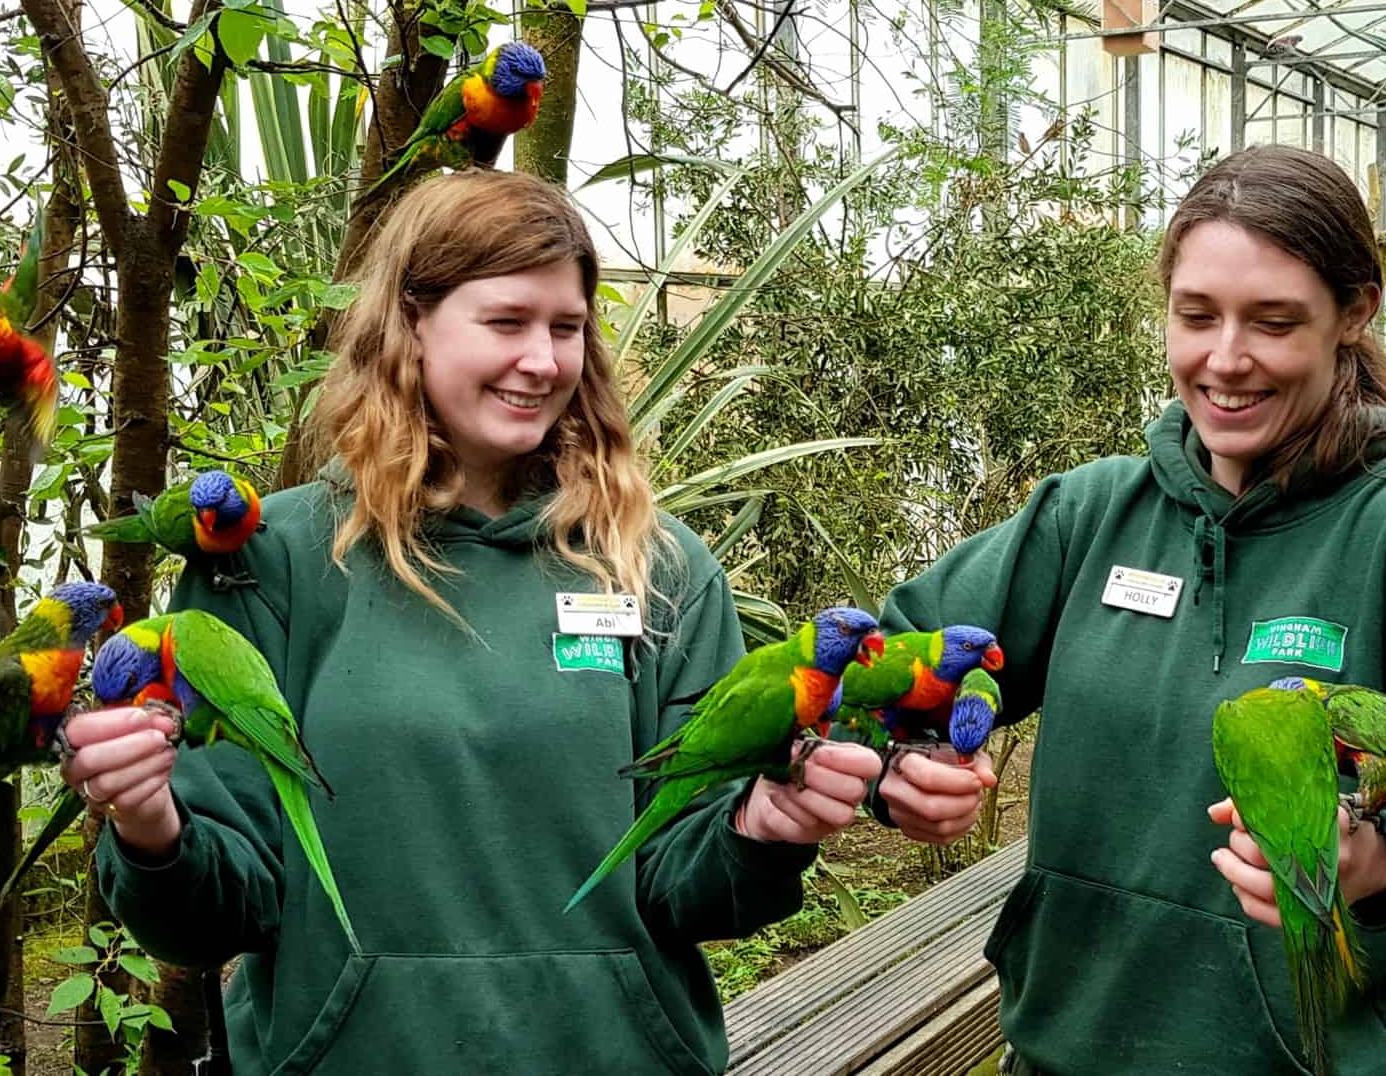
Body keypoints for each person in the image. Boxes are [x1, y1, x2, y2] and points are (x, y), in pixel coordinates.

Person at [55, 169, 884, 1075]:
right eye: (506, 322)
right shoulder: (272, 560)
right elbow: (220, 909)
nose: (543, 360)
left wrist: (764, 825)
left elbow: (689, 889)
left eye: (566, 328)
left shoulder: (661, 567)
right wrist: (148, 822)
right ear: (412, 322)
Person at [872, 145, 1386, 1075]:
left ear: (1353, 314)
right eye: (1196, 316)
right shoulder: (1087, 519)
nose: (1225, 361)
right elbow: (876, 664)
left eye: (1274, 323)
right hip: (1059, 1054)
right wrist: (901, 763)